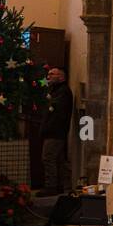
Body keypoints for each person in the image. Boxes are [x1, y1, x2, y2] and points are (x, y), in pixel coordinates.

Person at [39, 68, 74, 196]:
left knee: (48, 158)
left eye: (52, 74)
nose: (48, 76)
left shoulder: (63, 92)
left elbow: (55, 110)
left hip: (56, 132)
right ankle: (60, 185)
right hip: (53, 131)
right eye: (48, 74)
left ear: (61, 77)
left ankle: (51, 187)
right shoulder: (55, 90)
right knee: (58, 160)